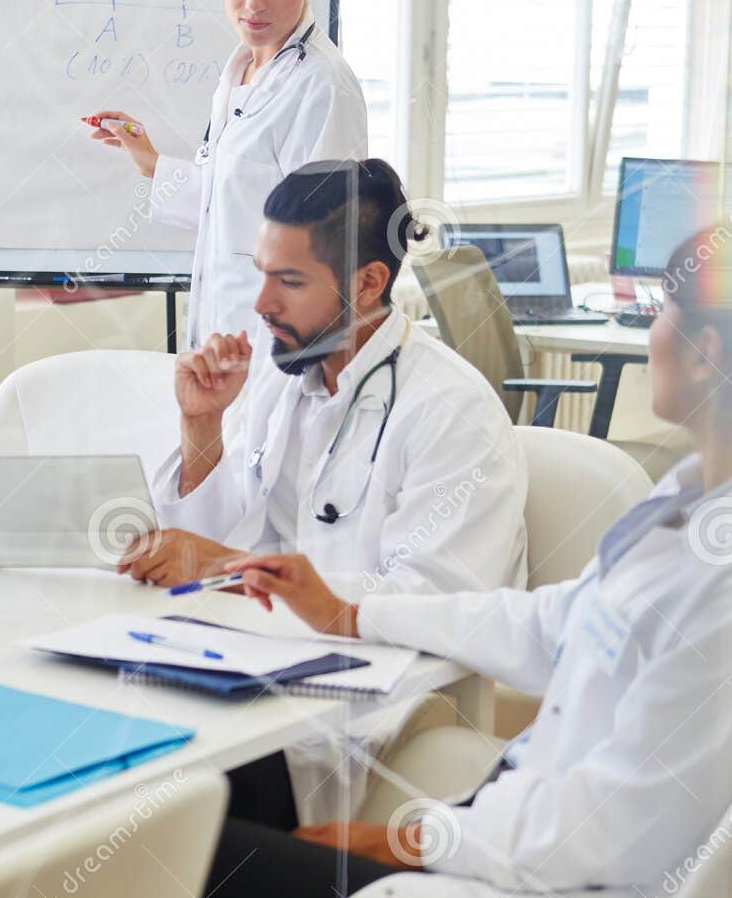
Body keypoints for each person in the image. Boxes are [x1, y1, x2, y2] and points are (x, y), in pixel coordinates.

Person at [140, 213, 732, 898]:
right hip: (528, 845)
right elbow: (550, 622)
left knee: (187, 868)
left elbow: (610, 828)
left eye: (658, 311)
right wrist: (348, 612)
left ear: (702, 353)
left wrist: (405, 839)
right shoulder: (704, 496)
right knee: (234, 784)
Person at [119, 157, 529, 822]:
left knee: (159, 797)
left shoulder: (449, 410)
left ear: (368, 282)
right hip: (248, 667)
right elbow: (230, 538)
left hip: (361, 713)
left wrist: (226, 567)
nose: (261, 305)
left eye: (289, 281)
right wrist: (202, 425)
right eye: (260, 275)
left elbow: (441, 603)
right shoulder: (291, 379)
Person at [86, 0, 367, 349]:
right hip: (223, 331)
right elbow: (233, 204)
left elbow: (325, 240)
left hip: (276, 344)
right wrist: (151, 162)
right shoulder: (242, 70)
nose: (252, 3)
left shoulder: (323, 86)